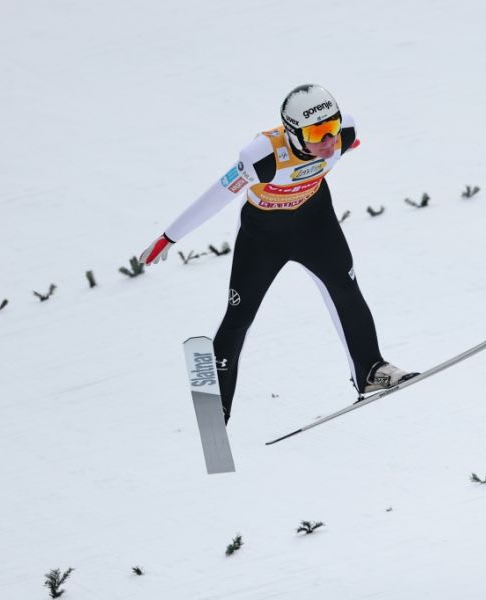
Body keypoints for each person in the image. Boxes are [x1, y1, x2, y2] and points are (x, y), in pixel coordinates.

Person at [140, 84, 416, 423]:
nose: (329, 141)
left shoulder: (344, 134)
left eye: (332, 128)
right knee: (239, 317)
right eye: (317, 133)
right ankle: (213, 405)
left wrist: (342, 139)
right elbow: (217, 196)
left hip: (316, 226)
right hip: (263, 238)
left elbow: (344, 140)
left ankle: (371, 370)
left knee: (346, 291)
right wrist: (169, 237)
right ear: (294, 133)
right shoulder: (262, 157)